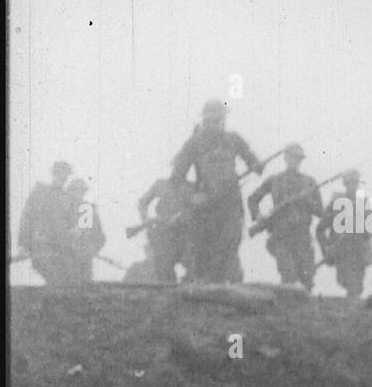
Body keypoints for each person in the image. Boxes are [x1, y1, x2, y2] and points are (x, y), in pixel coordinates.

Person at [170, 100, 263, 283]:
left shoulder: (234, 140)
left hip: (230, 204)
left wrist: (256, 165)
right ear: (205, 119)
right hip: (205, 208)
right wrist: (192, 197)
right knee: (204, 254)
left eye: (218, 119)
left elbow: (253, 161)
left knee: (229, 247)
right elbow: (176, 178)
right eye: (211, 119)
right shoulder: (194, 143)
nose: (215, 123)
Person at [247, 144, 324, 290]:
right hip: (281, 236)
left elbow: (321, 212)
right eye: (292, 157)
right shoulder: (275, 180)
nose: (295, 161)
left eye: (298, 158)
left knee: (307, 278)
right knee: (288, 276)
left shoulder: (309, 182)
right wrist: (258, 216)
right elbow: (253, 199)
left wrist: (307, 202)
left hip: (302, 237)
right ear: (286, 158)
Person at [316, 169, 372, 298]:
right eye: (349, 183)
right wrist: (326, 249)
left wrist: (362, 229)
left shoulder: (363, 203)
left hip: (358, 252)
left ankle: (354, 313)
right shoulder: (336, 203)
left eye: (355, 183)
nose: (352, 186)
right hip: (342, 252)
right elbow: (320, 229)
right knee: (347, 283)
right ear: (345, 184)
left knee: (356, 287)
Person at [17, 161, 77, 285]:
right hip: (42, 245)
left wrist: (76, 231)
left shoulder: (67, 198)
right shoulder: (40, 192)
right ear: (54, 173)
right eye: (59, 173)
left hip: (61, 247)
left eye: (65, 174)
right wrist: (23, 245)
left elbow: (73, 222)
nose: (62, 177)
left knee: (63, 281)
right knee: (54, 278)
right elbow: (27, 217)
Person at [137, 176, 195, 282]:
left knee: (192, 264)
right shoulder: (161, 184)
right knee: (163, 268)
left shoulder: (191, 186)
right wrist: (145, 220)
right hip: (163, 231)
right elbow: (143, 202)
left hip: (183, 232)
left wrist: (181, 216)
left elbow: (196, 207)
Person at [64, 178, 106, 283]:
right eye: (74, 190)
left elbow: (99, 237)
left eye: (80, 191)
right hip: (63, 258)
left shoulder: (87, 211)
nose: (77, 194)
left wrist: (92, 249)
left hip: (83, 258)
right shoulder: (61, 210)